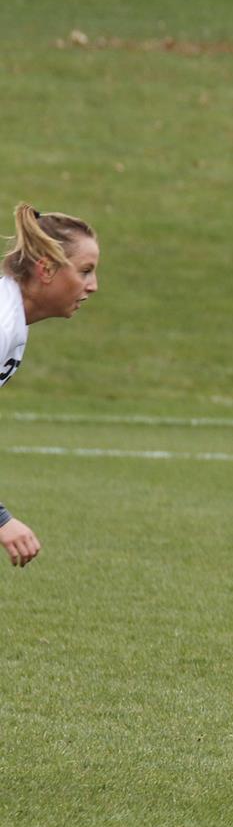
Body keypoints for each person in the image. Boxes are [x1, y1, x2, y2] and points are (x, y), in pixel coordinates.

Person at [2, 203, 102, 569]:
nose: (93, 286)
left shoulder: (12, 319)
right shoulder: (2, 322)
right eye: (85, 271)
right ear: (46, 269)